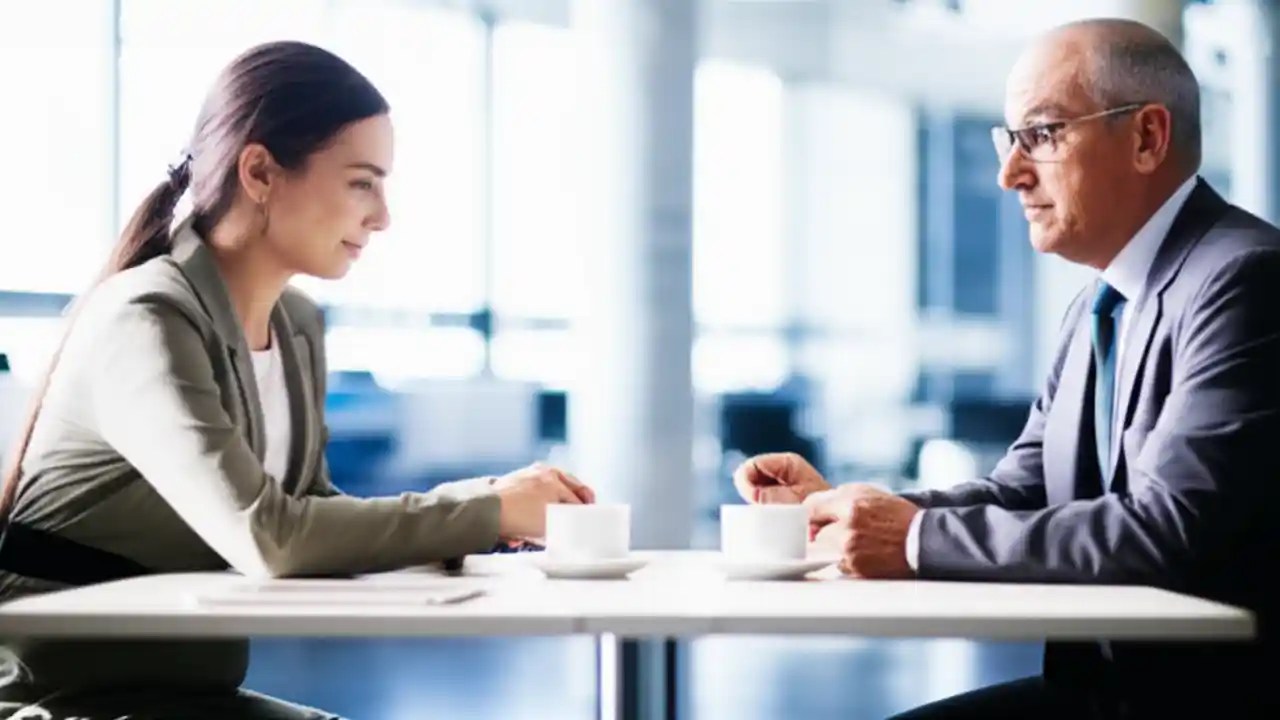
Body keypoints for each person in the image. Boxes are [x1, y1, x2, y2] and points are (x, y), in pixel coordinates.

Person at [0, 41, 594, 719]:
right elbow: (271, 535)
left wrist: (485, 503)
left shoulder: (295, 325)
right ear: (260, 172)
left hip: (189, 692)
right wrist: (490, 511)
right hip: (63, 700)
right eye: (361, 182)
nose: (382, 216)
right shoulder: (148, 317)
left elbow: (314, 512)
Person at [734, 18, 1278, 719]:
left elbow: (1167, 532)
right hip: (1106, 691)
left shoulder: (1245, 280)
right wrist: (848, 510)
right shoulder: (1098, 303)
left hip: (1205, 701)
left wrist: (911, 538)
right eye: (1009, 138)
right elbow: (1026, 492)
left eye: (1043, 135)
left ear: (1147, 137)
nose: (1009, 173)